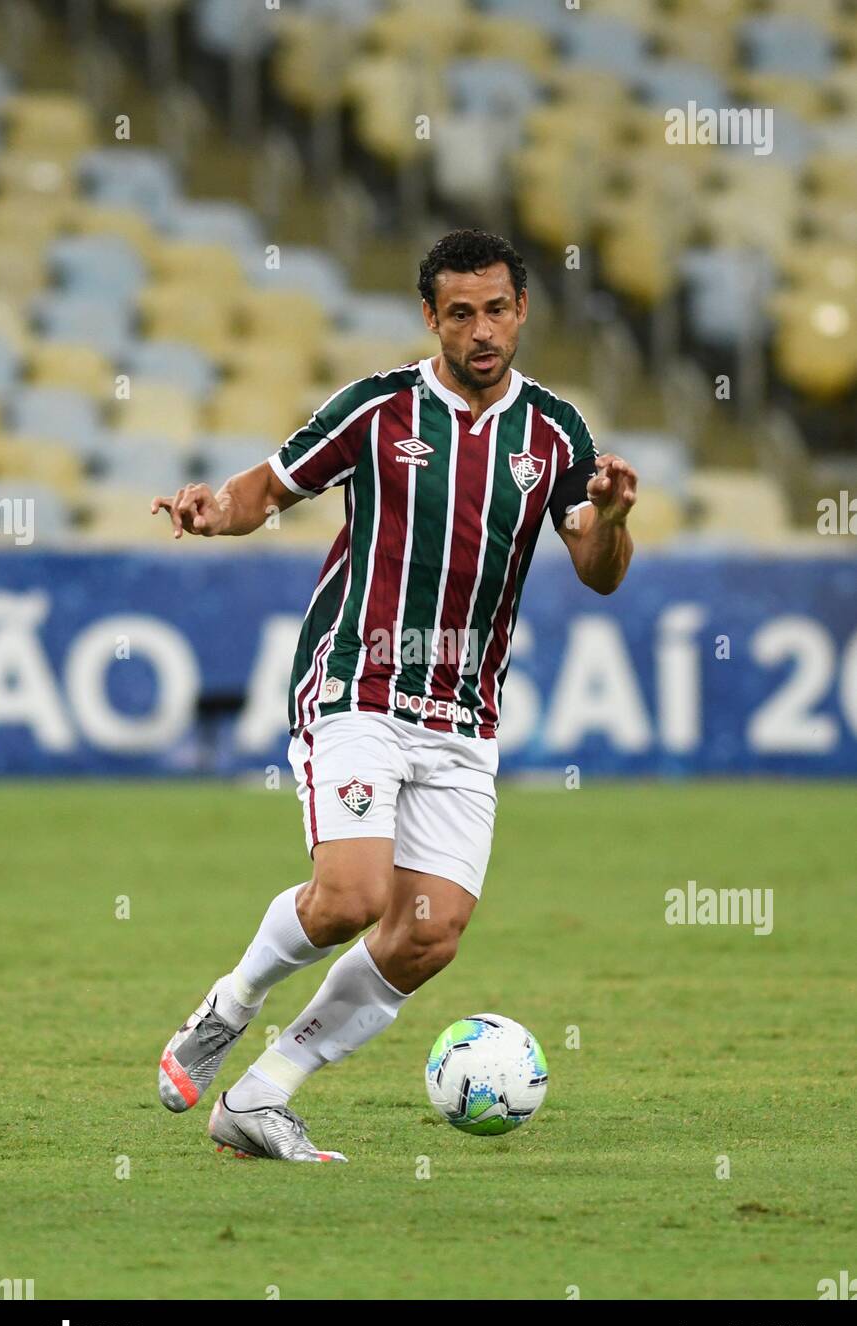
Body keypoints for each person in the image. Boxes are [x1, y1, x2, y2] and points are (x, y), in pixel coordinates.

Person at [151, 228, 637, 1162]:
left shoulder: (555, 433)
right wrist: (218, 510)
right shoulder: (380, 409)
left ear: (523, 309)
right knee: (352, 895)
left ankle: (262, 1094)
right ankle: (232, 1001)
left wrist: (611, 520)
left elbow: (599, 569)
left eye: (498, 309)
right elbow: (272, 485)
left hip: (463, 716)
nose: (483, 330)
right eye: (462, 313)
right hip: (357, 680)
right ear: (432, 318)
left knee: (427, 934)